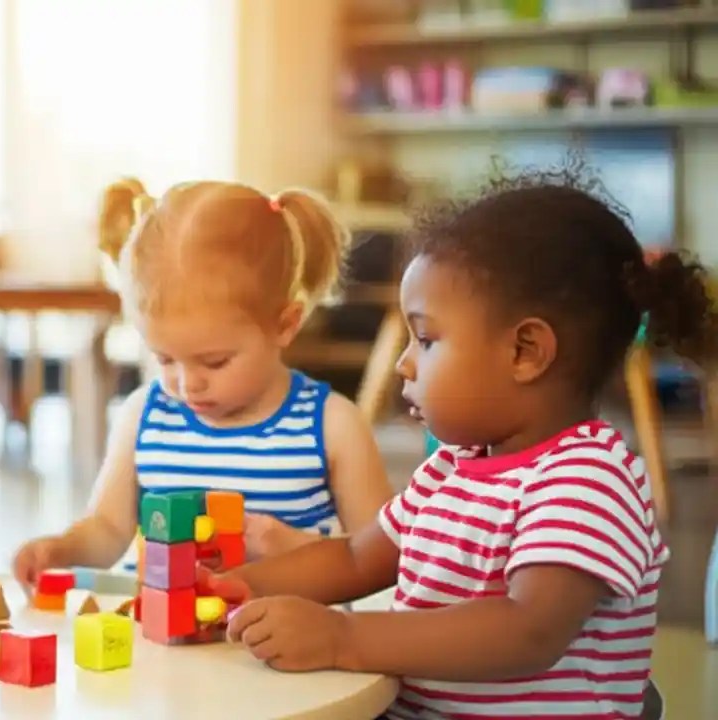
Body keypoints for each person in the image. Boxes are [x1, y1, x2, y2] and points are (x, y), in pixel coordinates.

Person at [221, 163, 717, 719]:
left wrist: (342, 636)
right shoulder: (451, 470)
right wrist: (237, 586)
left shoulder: (586, 478)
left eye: (427, 338)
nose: (406, 363)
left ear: (525, 352)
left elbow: (528, 630)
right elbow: (357, 556)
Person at [12, 178, 394, 589]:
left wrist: (293, 547)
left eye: (214, 362)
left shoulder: (332, 425)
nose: (187, 384)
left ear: (285, 325)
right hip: (161, 639)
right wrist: (62, 550)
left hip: (277, 646)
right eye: (164, 359)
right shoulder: (145, 415)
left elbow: (382, 558)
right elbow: (107, 528)